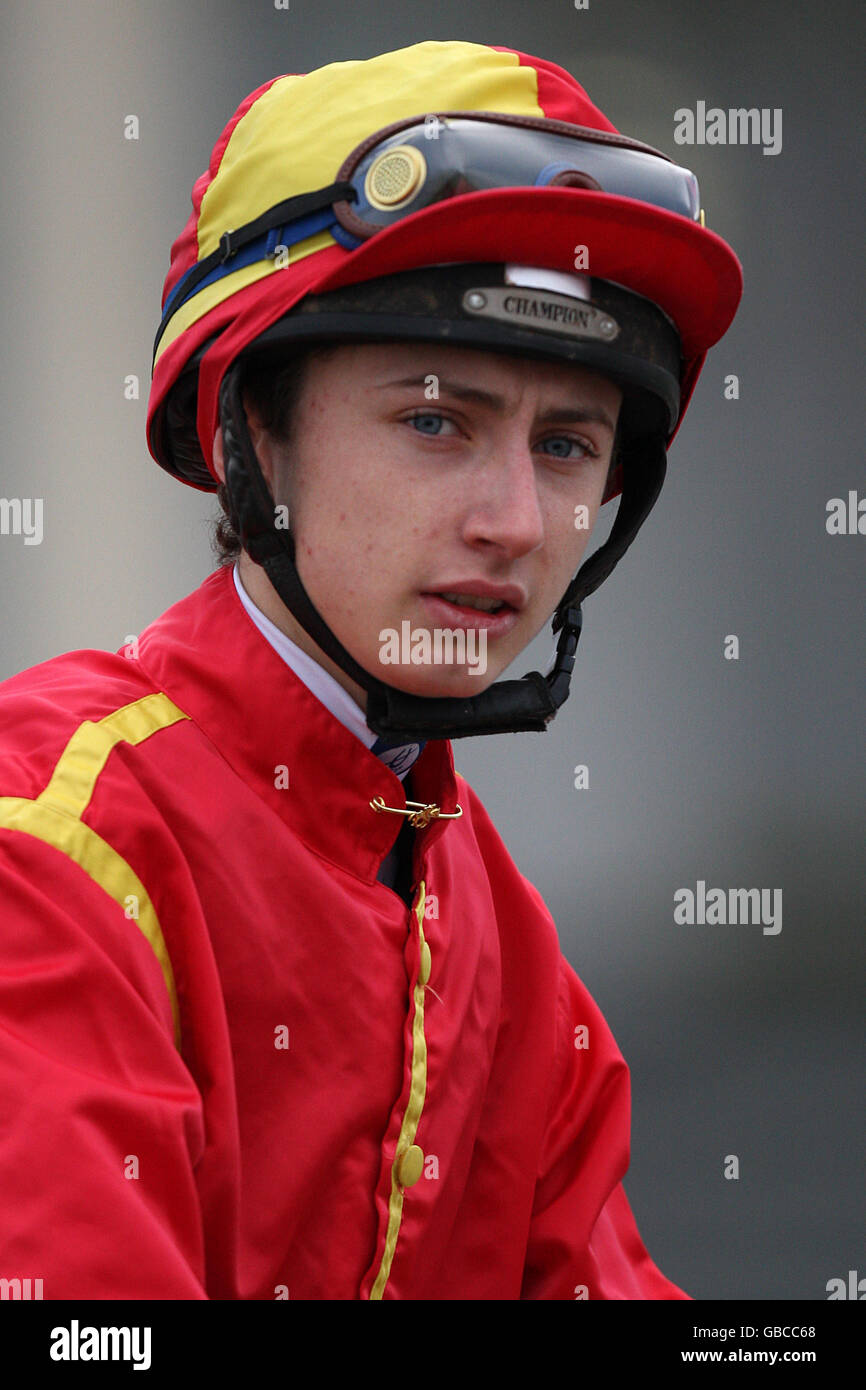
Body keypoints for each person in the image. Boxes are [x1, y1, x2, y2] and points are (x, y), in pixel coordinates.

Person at [0, 40, 741, 1299]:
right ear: (255, 435)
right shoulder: (50, 843)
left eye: (566, 445)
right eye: (434, 421)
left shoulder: (509, 943)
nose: (512, 519)